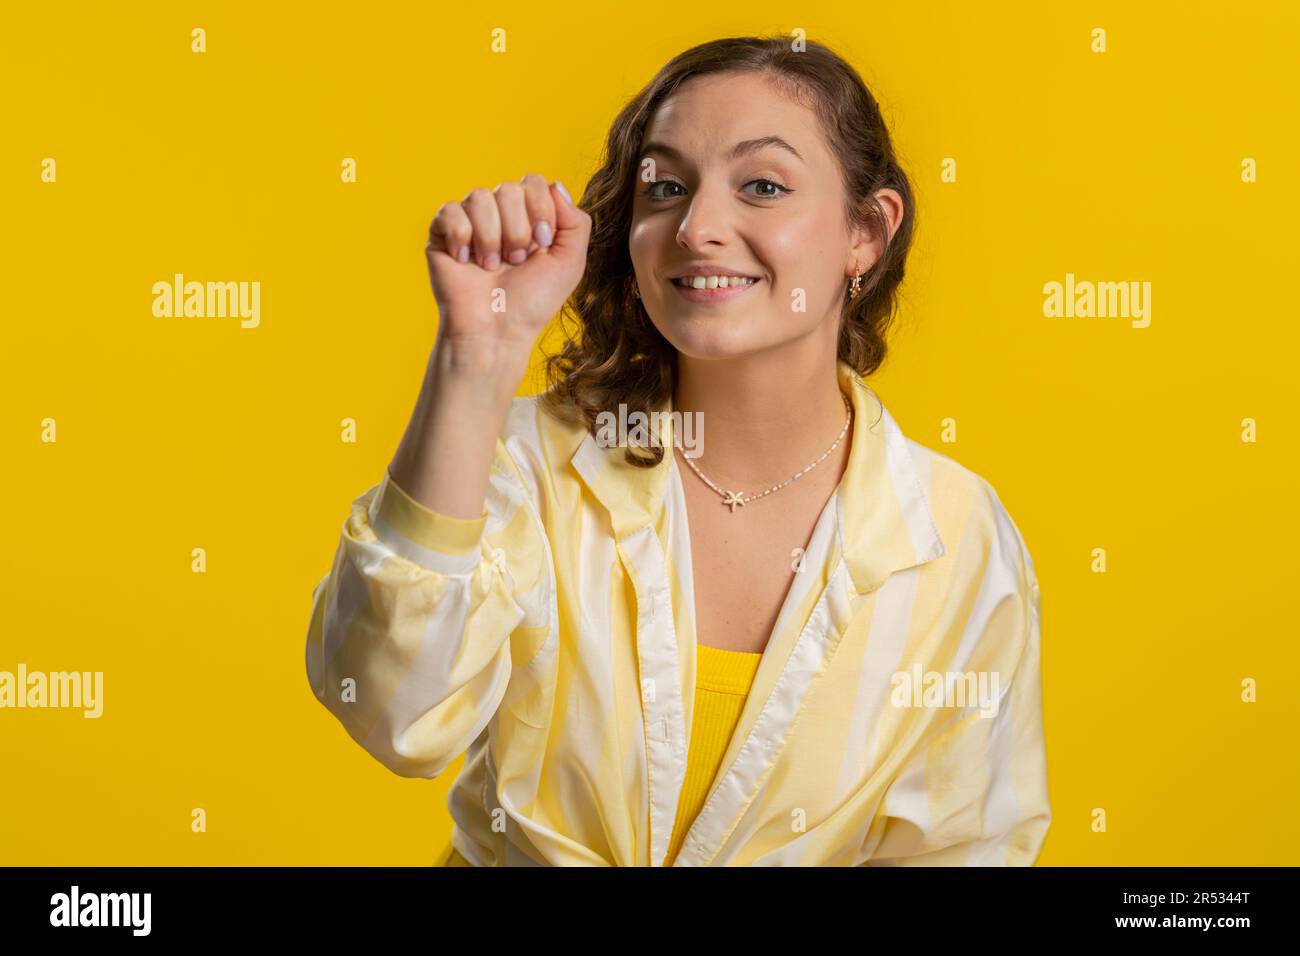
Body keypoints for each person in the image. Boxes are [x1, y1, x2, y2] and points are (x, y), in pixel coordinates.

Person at [304, 35, 1050, 866]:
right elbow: (388, 708)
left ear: (866, 234)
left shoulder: (958, 535)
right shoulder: (526, 462)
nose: (697, 228)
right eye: (666, 187)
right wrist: (475, 357)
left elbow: (963, 848)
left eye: (762, 186)